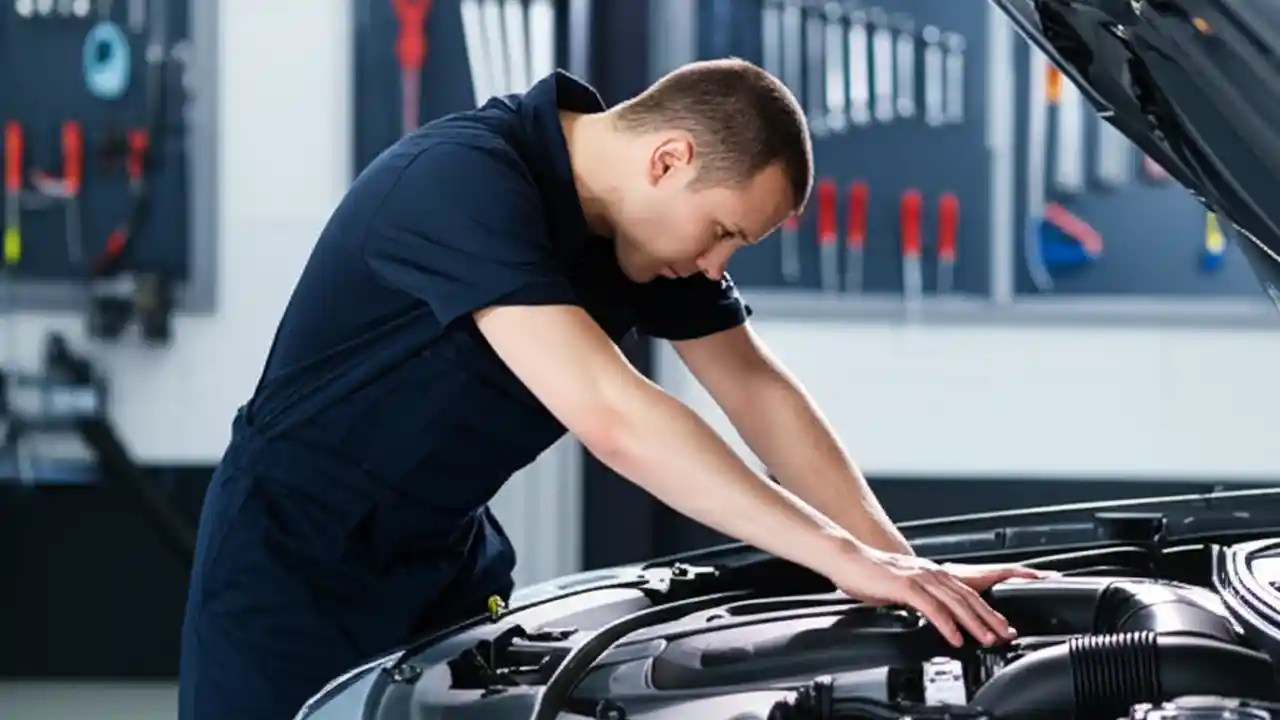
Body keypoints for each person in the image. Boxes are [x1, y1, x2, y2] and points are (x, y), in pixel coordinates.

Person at [177, 58, 1046, 720]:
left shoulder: (637, 230)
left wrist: (905, 568)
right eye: (721, 233)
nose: (714, 266)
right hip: (291, 567)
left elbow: (761, 394)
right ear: (669, 159)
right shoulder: (460, 183)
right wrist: (842, 562)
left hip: (440, 559)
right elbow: (612, 414)